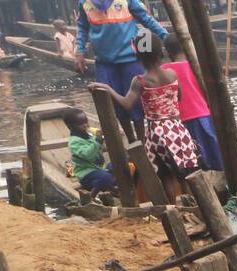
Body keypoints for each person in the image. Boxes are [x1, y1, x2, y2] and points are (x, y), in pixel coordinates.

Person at [90, 40, 200, 202]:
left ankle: (174, 208)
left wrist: (108, 88)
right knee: (184, 174)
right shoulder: (172, 74)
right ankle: (191, 204)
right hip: (177, 129)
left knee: (165, 176)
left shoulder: (140, 81)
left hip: (157, 132)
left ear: (139, 58)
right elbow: (180, 97)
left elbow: (127, 104)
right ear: (161, 53)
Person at [75, 0, 169, 142]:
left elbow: (146, 19)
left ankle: (143, 141)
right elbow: (82, 27)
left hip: (131, 58)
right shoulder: (84, 3)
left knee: (137, 101)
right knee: (112, 103)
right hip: (105, 61)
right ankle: (131, 140)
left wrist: (166, 37)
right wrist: (79, 51)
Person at [163, 34, 222, 171]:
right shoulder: (197, 66)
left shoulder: (164, 70)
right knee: (212, 153)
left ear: (167, 51)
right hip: (202, 115)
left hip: (179, 120)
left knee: (190, 157)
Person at [64, 108, 117, 197]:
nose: (85, 125)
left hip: (99, 169)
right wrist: (97, 141)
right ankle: (92, 196)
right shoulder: (74, 142)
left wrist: (104, 143)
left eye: (86, 122)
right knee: (105, 178)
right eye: (81, 124)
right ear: (70, 127)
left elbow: (99, 148)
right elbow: (87, 155)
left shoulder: (88, 135)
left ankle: (109, 186)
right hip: (87, 175)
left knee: (120, 164)